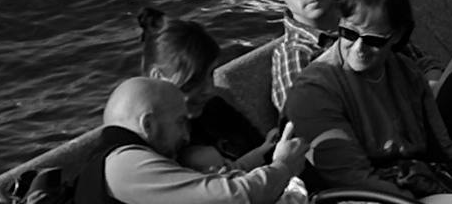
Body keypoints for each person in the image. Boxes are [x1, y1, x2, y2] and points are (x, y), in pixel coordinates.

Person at [278, 0, 452, 200]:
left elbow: (446, 154)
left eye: (373, 40)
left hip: (412, 183)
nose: (359, 48)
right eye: (349, 33)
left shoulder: (409, 73)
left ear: (397, 36)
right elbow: (351, 177)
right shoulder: (313, 90)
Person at [61, 74, 300, 204]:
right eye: (180, 122)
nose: (186, 135)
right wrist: (283, 167)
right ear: (148, 124)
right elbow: (232, 196)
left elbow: (203, 186)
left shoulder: (118, 161)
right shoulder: (124, 165)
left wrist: (262, 154)